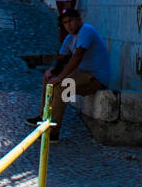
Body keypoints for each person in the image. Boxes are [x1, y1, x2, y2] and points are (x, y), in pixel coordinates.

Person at [26, 8, 109, 141]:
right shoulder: (70, 38)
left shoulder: (86, 30)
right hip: (82, 74)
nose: (68, 25)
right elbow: (62, 59)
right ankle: (43, 117)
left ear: (79, 20)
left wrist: (60, 77)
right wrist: (51, 71)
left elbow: (77, 57)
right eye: (65, 22)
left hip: (95, 77)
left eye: (71, 21)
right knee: (48, 79)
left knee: (62, 86)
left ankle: (53, 132)